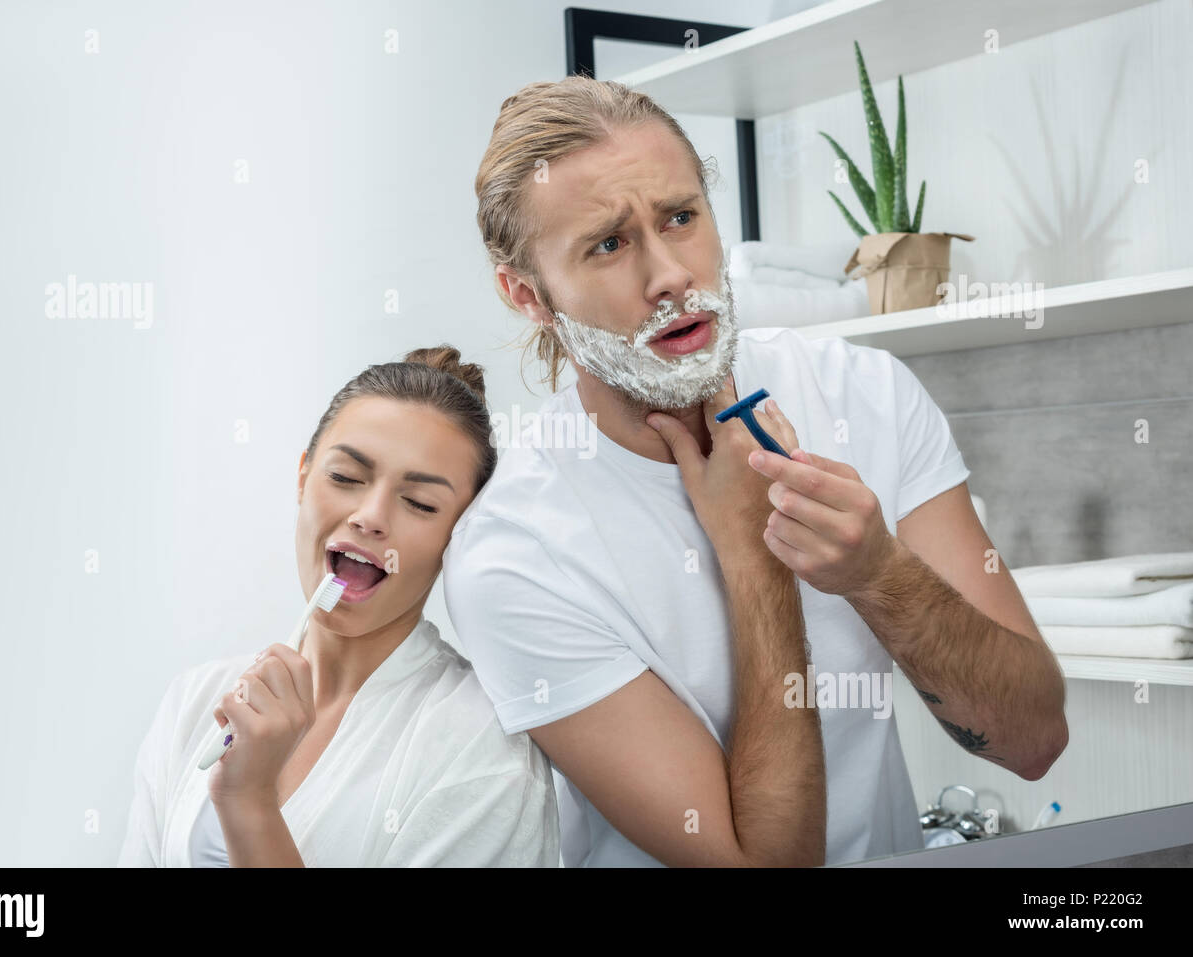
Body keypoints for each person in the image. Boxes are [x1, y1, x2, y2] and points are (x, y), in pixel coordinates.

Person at [443, 75, 1068, 867]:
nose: (670, 273)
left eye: (680, 217)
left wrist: (879, 571)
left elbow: (1036, 738)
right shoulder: (515, 553)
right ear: (527, 294)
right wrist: (754, 560)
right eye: (609, 242)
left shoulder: (863, 393)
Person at [118, 346, 560, 867]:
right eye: (346, 478)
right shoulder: (195, 702)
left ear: (459, 534)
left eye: (420, 503)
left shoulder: (481, 754)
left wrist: (249, 801)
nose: (370, 516)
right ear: (303, 478)